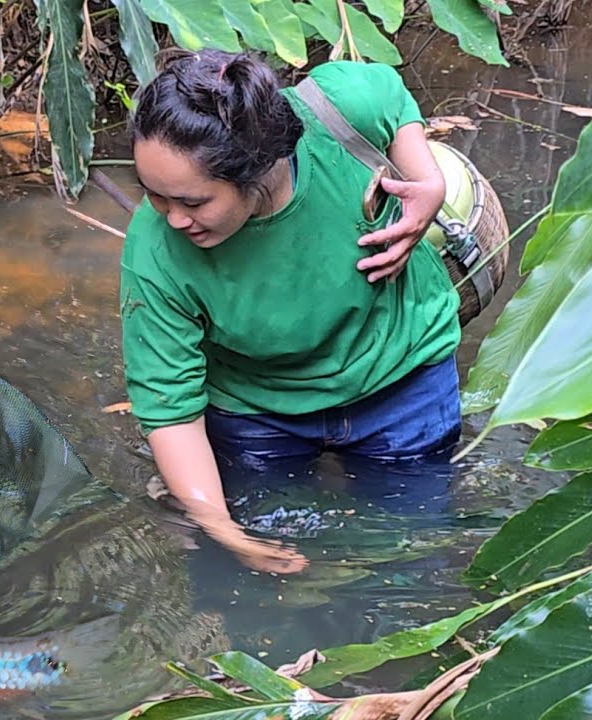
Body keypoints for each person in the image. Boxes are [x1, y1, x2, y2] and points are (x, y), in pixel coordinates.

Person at [119, 49, 462, 574]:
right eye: (155, 196)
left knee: (411, 547)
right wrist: (222, 529)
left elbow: (388, 93)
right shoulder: (154, 250)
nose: (171, 220)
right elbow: (170, 410)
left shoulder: (337, 111)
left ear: (257, 169)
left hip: (401, 371)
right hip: (258, 407)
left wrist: (427, 183)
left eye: (192, 202)